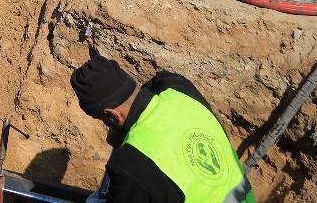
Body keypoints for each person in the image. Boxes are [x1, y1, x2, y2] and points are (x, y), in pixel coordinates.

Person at [70, 57, 253, 203]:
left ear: (112, 114)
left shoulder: (130, 164)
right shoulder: (178, 89)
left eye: (102, 119)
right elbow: (155, 84)